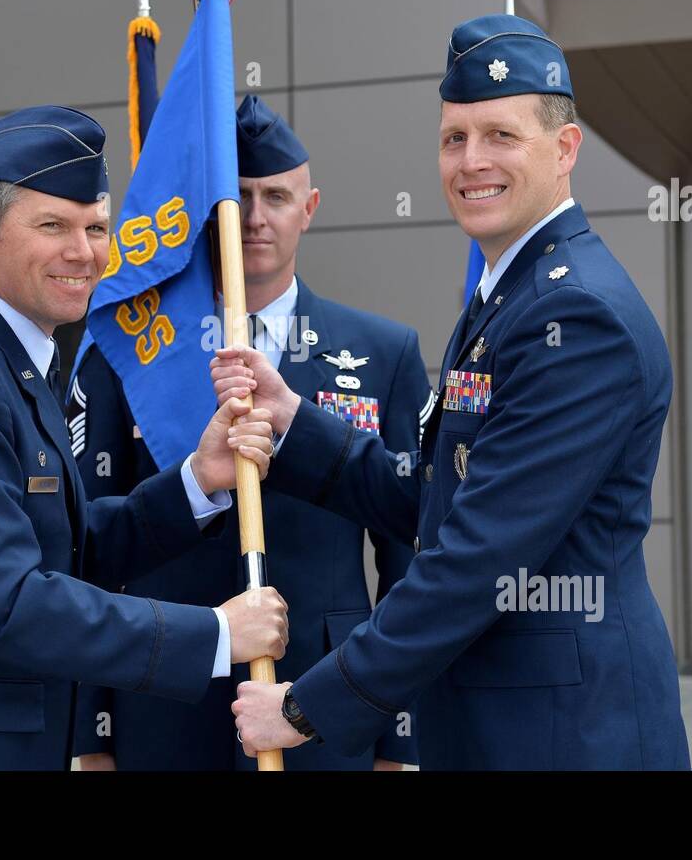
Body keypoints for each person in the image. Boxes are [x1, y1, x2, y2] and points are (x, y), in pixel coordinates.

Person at [215, 17, 691, 770]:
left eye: (501, 135)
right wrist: (293, 420)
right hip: (503, 725)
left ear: (565, 150)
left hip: (562, 736)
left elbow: (476, 558)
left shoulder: (577, 314)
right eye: (454, 138)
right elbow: (437, 498)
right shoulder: (512, 296)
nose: (472, 162)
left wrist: (308, 707)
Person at [0, 105, 288, 771]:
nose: (83, 252)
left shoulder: (9, 357)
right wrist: (214, 634)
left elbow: (63, 549)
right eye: (52, 226)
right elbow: (11, 602)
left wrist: (197, 481)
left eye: (96, 227)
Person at [70, 95, 432, 771]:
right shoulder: (134, 352)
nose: (257, 218)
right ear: (211, 210)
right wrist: (94, 734)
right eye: (238, 198)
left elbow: (406, 555)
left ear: (310, 207)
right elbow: (90, 552)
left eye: (277, 196)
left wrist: (396, 732)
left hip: (325, 695)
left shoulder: (383, 353)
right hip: (164, 697)